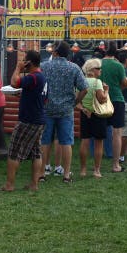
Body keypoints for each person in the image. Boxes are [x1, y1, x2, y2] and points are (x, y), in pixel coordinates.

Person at [0, 50, 47, 192]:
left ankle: (9, 184)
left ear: (29, 62)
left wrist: (18, 68)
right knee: (36, 152)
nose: (23, 63)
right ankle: (34, 184)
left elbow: (14, 83)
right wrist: (25, 96)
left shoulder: (33, 77)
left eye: (25, 60)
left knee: (14, 150)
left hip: (28, 120)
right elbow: (43, 98)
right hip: (39, 119)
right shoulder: (42, 77)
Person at [40, 41, 87, 183]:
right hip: (66, 110)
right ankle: (66, 175)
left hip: (47, 108)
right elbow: (84, 88)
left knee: (45, 141)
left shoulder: (44, 66)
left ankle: (42, 173)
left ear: (55, 52)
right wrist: (75, 102)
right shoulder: (74, 68)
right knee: (66, 142)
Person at [99, 43, 127, 172]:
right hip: (117, 99)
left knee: (100, 133)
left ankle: (97, 166)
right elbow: (126, 83)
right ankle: (116, 165)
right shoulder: (118, 65)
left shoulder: (98, 64)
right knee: (117, 133)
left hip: (100, 99)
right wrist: (117, 87)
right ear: (115, 51)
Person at [76, 58, 109, 178]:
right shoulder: (97, 82)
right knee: (98, 143)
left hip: (85, 114)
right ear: (93, 70)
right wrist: (106, 91)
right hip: (97, 114)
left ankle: (83, 170)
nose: (100, 70)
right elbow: (102, 99)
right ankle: (97, 170)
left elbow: (77, 101)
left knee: (85, 141)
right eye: (98, 68)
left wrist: (84, 109)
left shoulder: (81, 81)